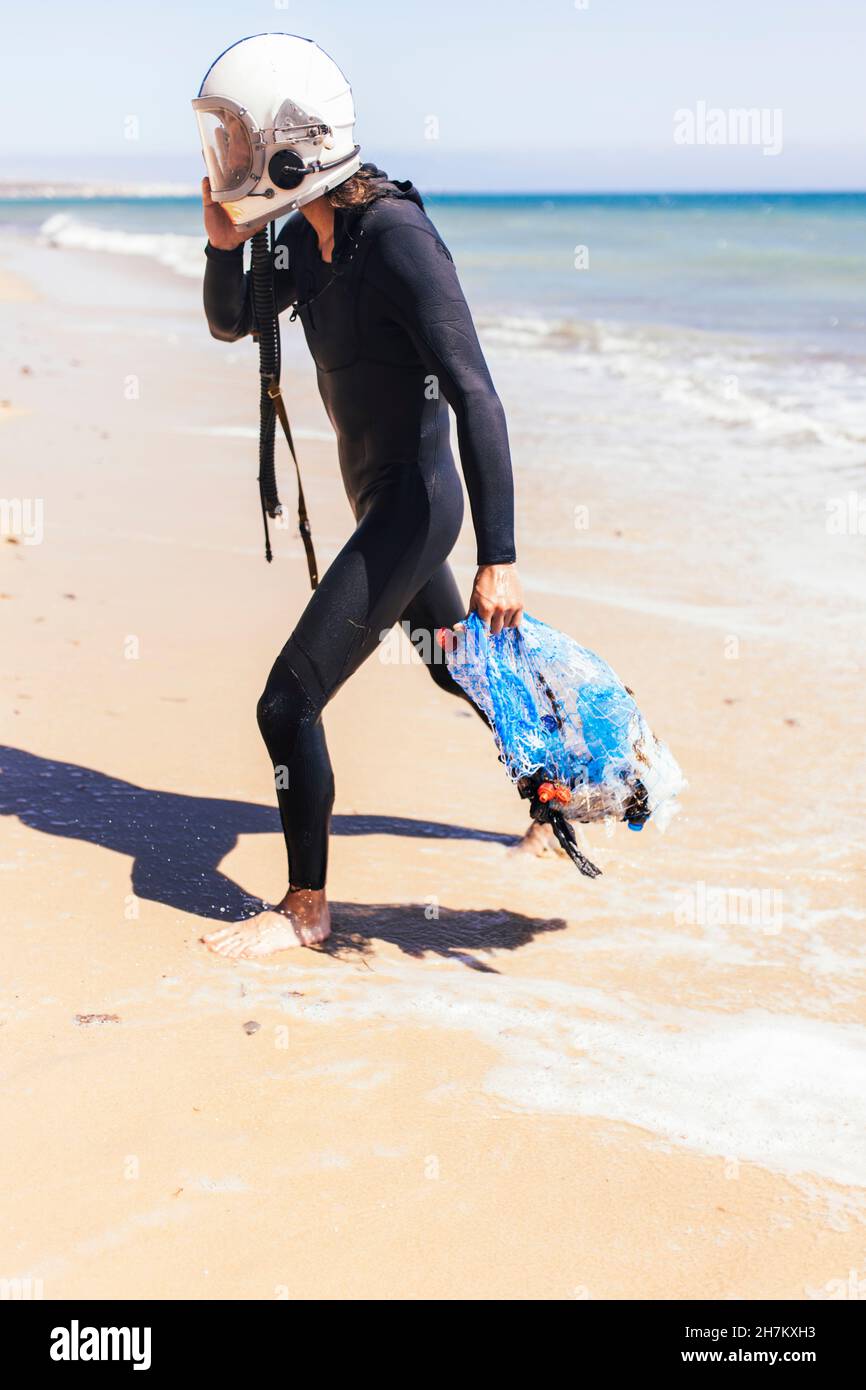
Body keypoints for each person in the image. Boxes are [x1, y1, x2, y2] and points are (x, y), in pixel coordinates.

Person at [194, 35, 529, 958]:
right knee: (451, 660)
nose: (224, 164)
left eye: (236, 144)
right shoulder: (307, 235)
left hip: (415, 508)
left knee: (285, 704)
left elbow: (476, 393)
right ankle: (551, 791)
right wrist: (225, 243)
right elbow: (233, 322)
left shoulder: (397, 239)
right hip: (375, 500)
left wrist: (499, 555)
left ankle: (306, 909)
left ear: (294, 149)